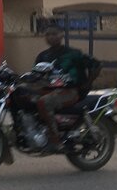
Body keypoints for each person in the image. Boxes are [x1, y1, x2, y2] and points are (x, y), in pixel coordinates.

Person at [31, 24, 88, 152]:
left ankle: (55, 139)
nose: (50, 37)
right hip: (49, 90)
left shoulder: (72, 54)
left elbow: (80, 76)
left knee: (44, 102)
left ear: (61, 35)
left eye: (54, 34)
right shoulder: (42, 56)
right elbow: (35, 75)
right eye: (48, 34)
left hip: (69, 91)